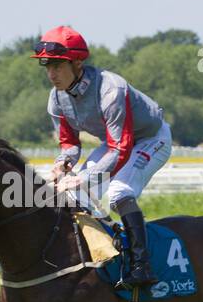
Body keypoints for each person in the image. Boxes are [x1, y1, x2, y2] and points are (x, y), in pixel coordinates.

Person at [33, 25, 172, 288]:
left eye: (58, 66)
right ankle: (100, 255)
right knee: (74, 194)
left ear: (76, 63)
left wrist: (83, 177)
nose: (51, 74)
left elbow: (121, 148)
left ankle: (142, 266)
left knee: (119, 192)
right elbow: (70, 144)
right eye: (47, 67)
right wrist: (63, 163)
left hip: (152, 139)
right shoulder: (56, 99)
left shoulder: (111, 90)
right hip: (117, 143)